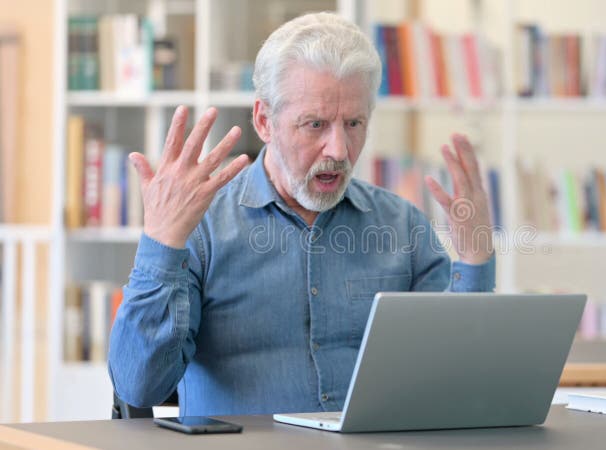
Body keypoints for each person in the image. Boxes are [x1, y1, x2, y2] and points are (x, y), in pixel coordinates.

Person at [108, 12, 495, 417]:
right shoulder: (201, 226)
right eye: (315, 124)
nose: (339, 150)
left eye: (354, 123)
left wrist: (474, 260)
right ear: (264, 120)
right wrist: (162, 243)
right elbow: (139, 385)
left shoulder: (402, 225)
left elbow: (458, 381)